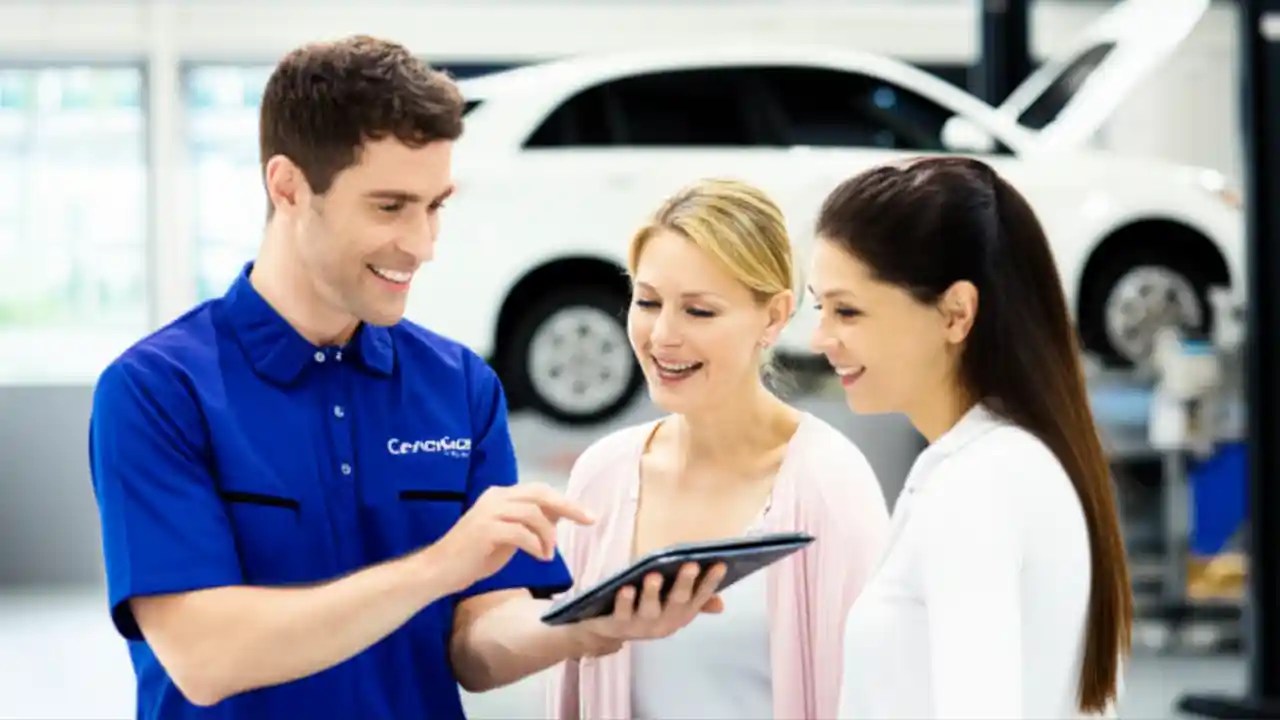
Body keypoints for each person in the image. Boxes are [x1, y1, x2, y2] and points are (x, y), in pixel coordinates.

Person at [86, 35, 726, 720]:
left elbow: (477, 643)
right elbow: (206, 658)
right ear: (288, 187)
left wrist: (589, 624)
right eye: (390, 207)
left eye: (435, 205)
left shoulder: (460, 385)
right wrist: (439, 566)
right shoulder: (157, 391)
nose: (422, 245)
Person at [546, 178, 892, 720]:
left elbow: (872, 696)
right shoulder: (603, 476)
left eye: (699, 312)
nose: (662, 335)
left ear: (773, 317)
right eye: (647, 301)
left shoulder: (828, 483)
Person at [808, 156, 1133, 719]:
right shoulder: (1009, 462)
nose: (820, 338)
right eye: (821, 308)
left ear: (956, 313)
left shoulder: (977, 484)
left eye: (847, 311)